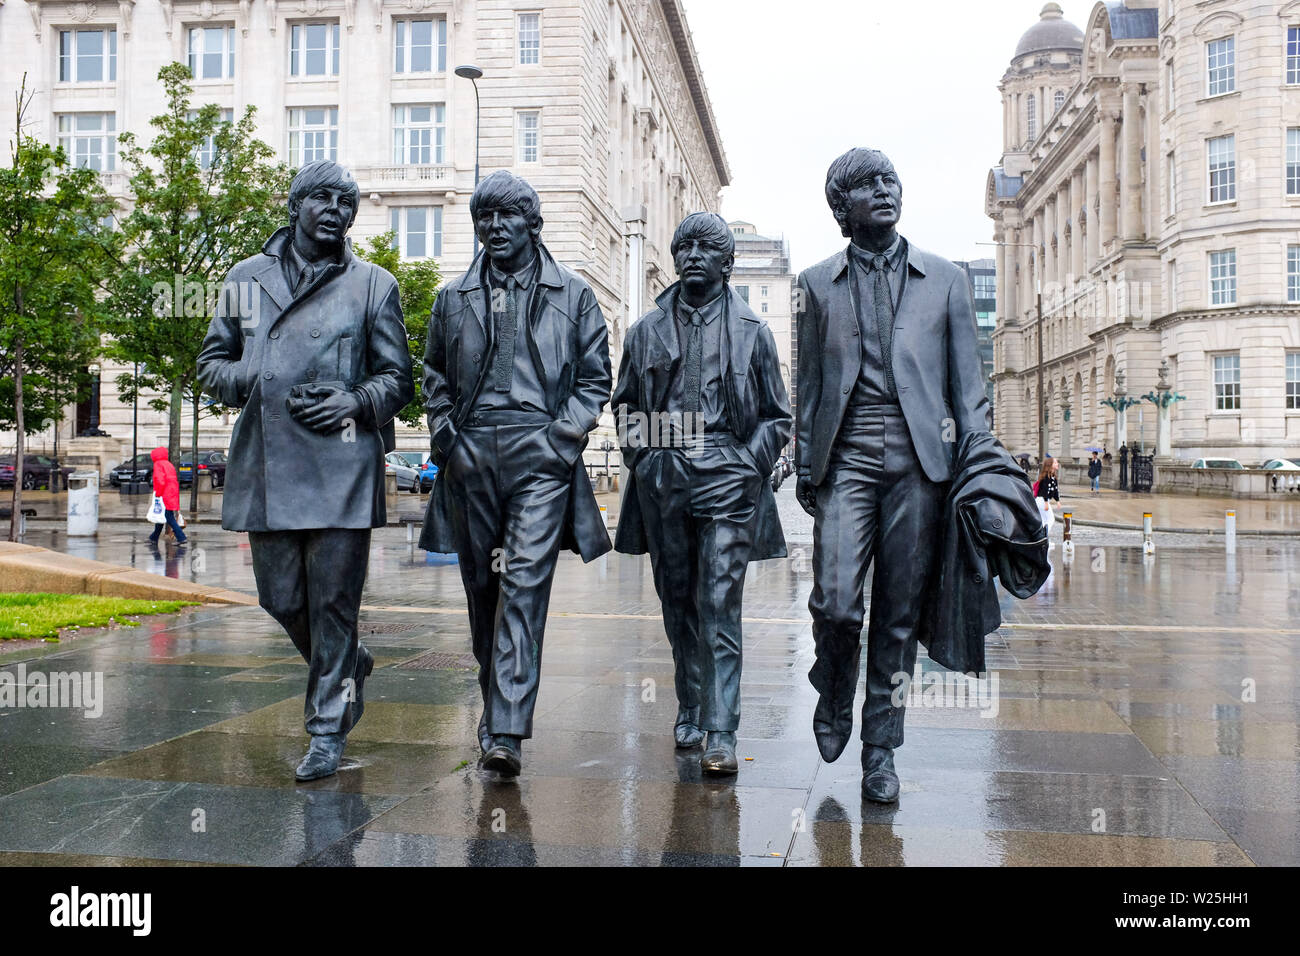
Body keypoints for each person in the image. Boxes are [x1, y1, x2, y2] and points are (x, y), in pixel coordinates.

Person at [197, 160, 414, 781]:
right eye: (322, 198)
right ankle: (350, 664)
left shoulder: (373, 284)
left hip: (343, 463)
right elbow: (212, 365)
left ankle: (326, 731)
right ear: (294, 206)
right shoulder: (246, 277)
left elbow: (397, 377)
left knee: (335, 605)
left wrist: (356, 401)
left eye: (346, 202)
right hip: (268, 462)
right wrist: (257, 376)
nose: (335, 210)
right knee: (281, 597)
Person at [793, 147, 992, 803]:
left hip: (920, 462)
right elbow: (811, 385)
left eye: (889, 180)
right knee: (837, 602)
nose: (883, 191)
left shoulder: (947, 279)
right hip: (845, 455)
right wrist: (803, 461)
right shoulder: (817, 283)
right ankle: (833, 688)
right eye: (866, 185)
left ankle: (881, 750)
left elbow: (969, 390)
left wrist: (978, 465)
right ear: (841, 208)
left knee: (899, 616)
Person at [419, 170, 612, 777]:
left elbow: (594, 381)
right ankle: (494, 701)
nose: (494, 228)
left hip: (541, 456)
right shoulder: (453, 297)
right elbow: (434, 376)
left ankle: (505, 728)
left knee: (523, 585)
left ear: (534, 223)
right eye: (484, 218)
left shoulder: (573, 295)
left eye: (506, 217)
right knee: (485, 594)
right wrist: (447, 433)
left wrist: (561, 440)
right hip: (471, 454)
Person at [612, 212, 793, 775]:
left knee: (719, 601)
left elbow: (776, 415)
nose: (692, 255)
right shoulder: (645, 331)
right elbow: (624, 406)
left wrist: (746, 464)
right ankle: (690, 704)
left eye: (705, 247)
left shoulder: (753, 333)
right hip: (665, 478)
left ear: (726, 262)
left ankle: (720, 728)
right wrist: (645, 459)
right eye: (683, 246)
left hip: (727, 475)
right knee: (679, 601)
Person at [147, 446, 187, 545]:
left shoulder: (158, 464)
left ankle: (181, 537)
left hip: (164, 493)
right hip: (172, 492)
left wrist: (158, 494)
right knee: (162, 515)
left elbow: (159, 480)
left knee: (168, 517)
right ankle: (154, 537)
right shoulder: (169, 464)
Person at [1034, 456, 1061, 538]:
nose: (1057, 464)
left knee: (1044, 520)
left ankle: (1041, 538)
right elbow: (1044, 491)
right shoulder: (1046, 477)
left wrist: (1058, 501)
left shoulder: (1053, 477)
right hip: (1041, 500)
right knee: (1051, 519)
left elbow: (1055, 491)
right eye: (1055, 462)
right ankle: (1043, 537)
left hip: (1044, 500)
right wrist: (1046, 502)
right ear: (1050, 465)